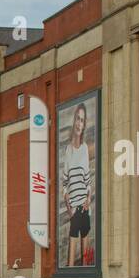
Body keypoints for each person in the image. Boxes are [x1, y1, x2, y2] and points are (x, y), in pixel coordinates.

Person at [62, 102, 93, 268]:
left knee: (86, 262)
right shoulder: (68, 150)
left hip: (85, 207)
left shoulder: (85, 149)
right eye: (78, 119)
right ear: (74, 121)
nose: (80, 123)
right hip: (74, 209)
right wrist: (69, 208)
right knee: (70, 264)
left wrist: (88, 200)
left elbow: (88, 181)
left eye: (83, 120)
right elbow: (65, 183)